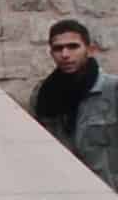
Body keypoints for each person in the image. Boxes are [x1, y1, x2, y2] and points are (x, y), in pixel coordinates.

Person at [31, 20, 118, 188]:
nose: (65, 54)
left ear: (90, 50)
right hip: (67, 193)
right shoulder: (42, 96)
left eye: (73, 47)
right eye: (58, 48)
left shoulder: (112, 90)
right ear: (51, 53)